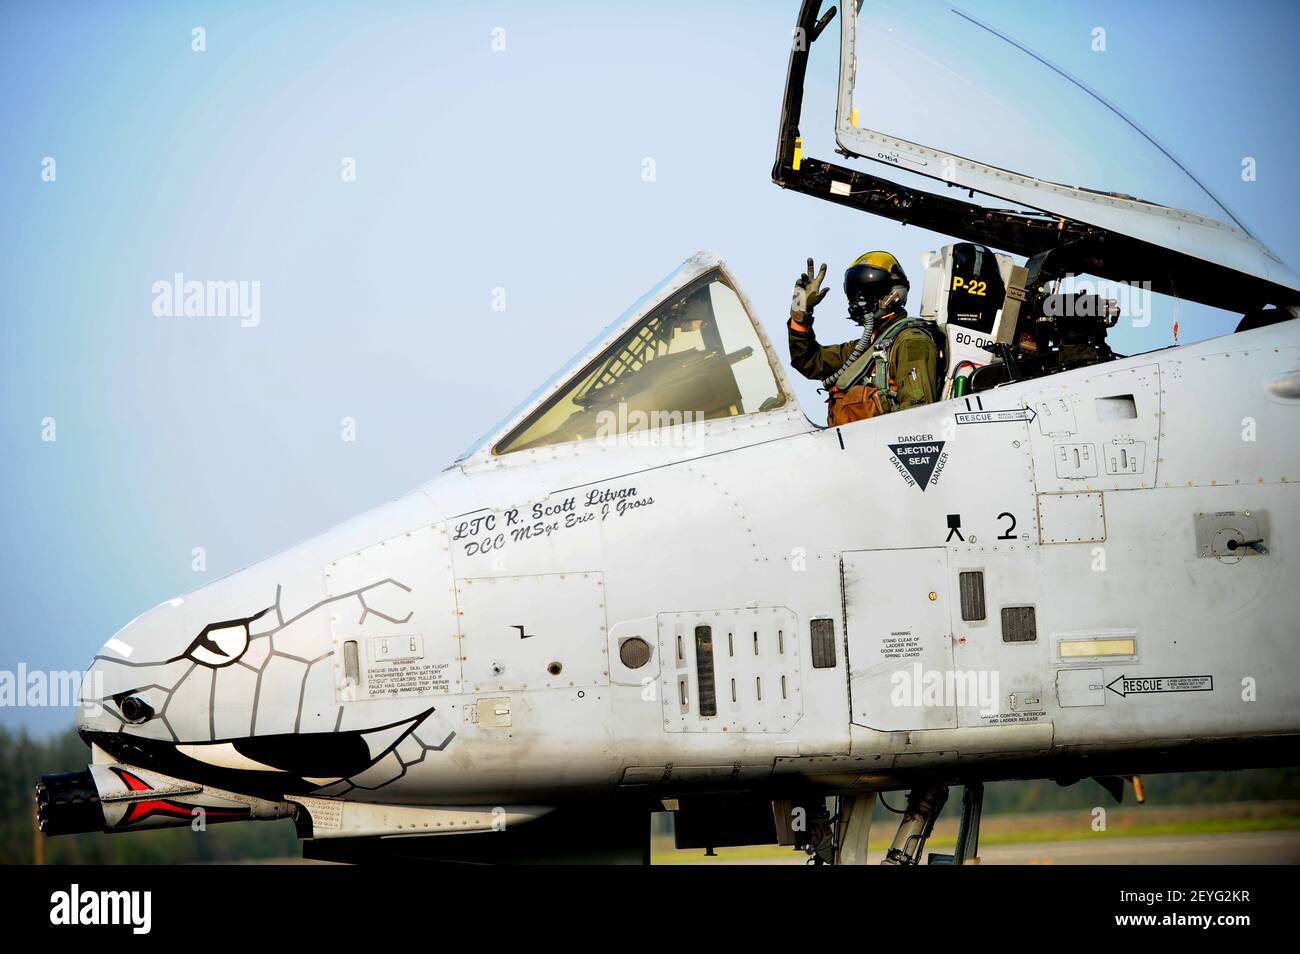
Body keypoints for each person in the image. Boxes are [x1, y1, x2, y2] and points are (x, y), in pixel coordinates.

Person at [788, 251, 942, 425]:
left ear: (895, 293)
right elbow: (809, 361)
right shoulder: (867, 349)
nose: (859, 299)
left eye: (871, 290)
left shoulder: (911, 342)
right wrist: (799, 313)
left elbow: (918, 418)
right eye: (855, 292)